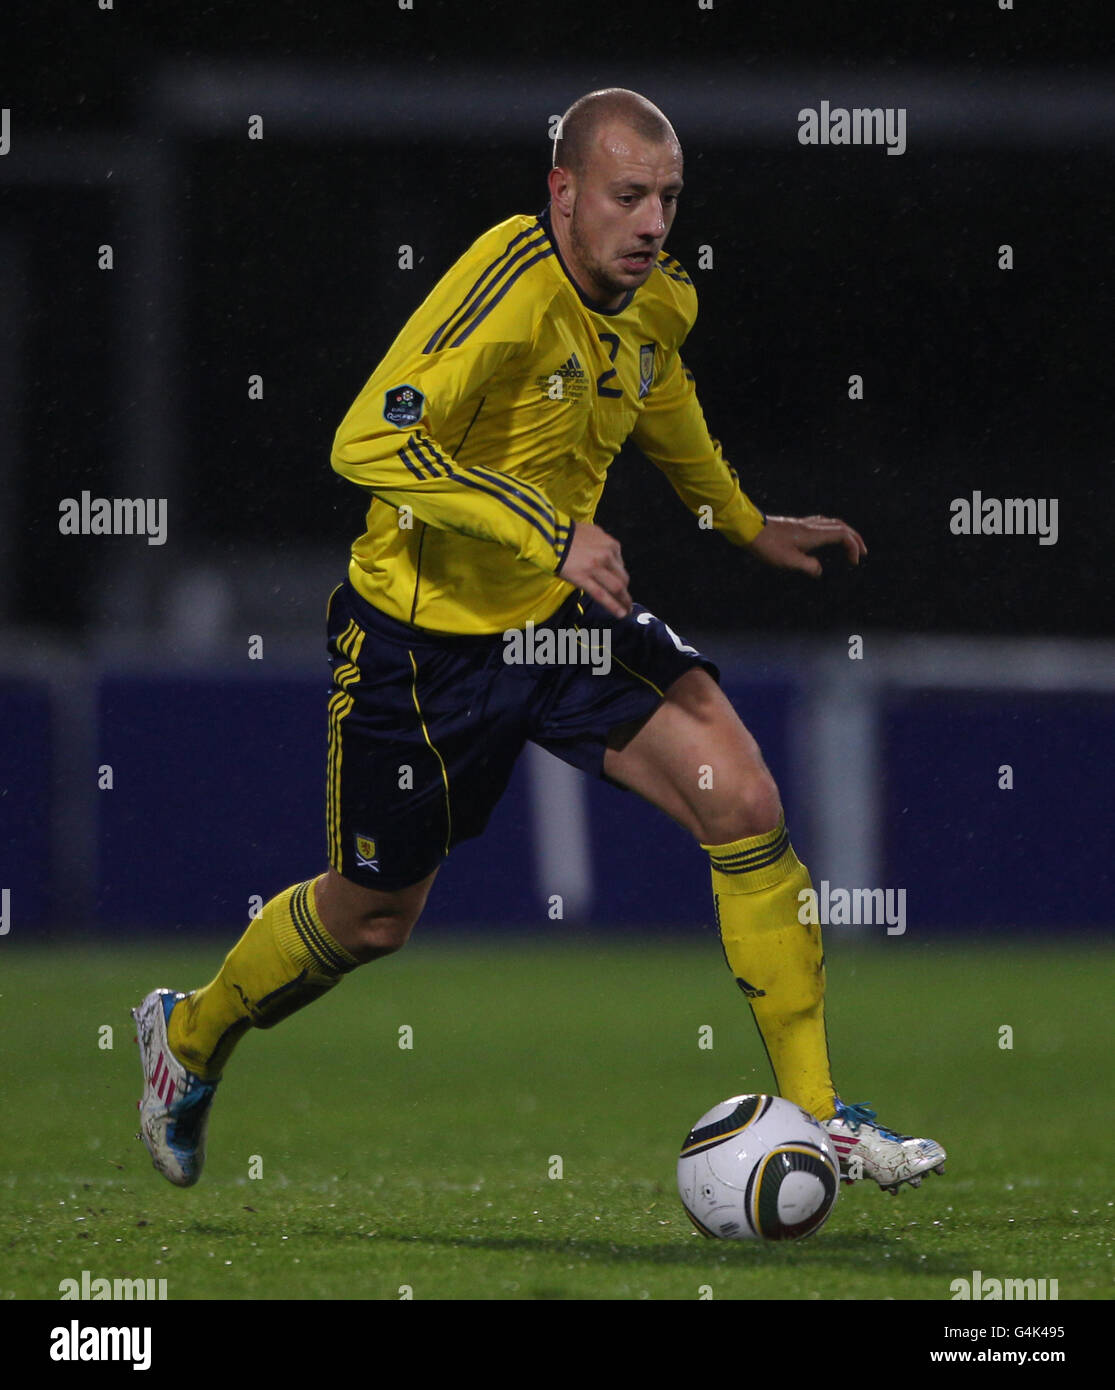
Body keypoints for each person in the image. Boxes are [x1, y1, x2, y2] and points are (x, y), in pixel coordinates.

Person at [133, 88, 944, 1197]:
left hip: (556, 629)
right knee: (371, 917)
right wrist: (545, 527)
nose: (652, 221)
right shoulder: (506, 287)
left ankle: (814, 1109)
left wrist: (747, 521)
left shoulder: (652, 301)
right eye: (627, 196)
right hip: (419, 647)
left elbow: (662, 404)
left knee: (742, 796)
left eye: (666, 197)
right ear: (562, 194)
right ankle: (188, 1038)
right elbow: (366, 439)